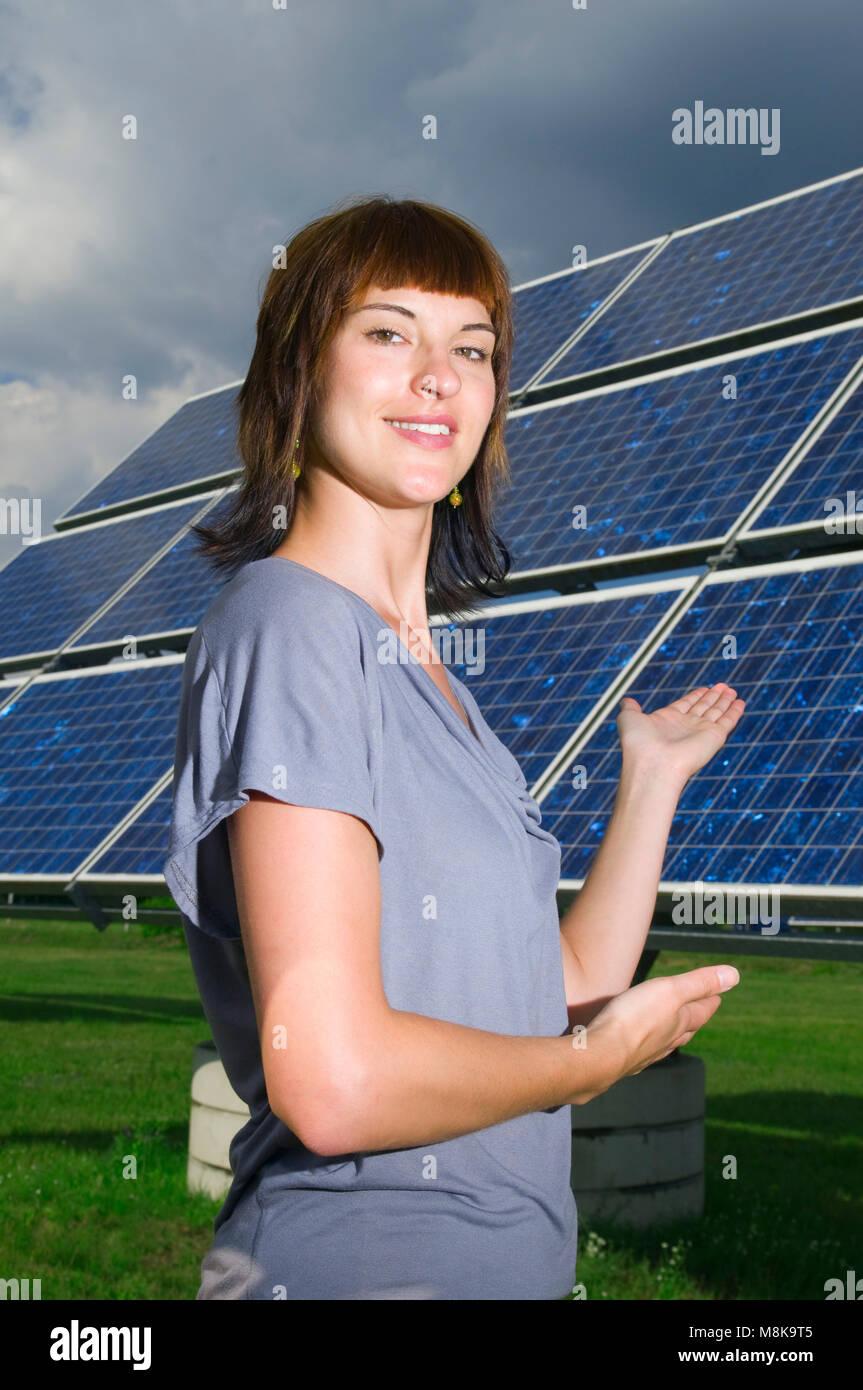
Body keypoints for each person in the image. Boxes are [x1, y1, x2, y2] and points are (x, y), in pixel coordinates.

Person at [163, 194, 744, 1301]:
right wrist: (591, 1066)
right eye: (387, 333)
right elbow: (330, 1080)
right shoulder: (290, 625)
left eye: (469, 347)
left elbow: (553, 987)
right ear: (300, 369)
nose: (437, 376)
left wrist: (649, 783)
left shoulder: (439, 693)